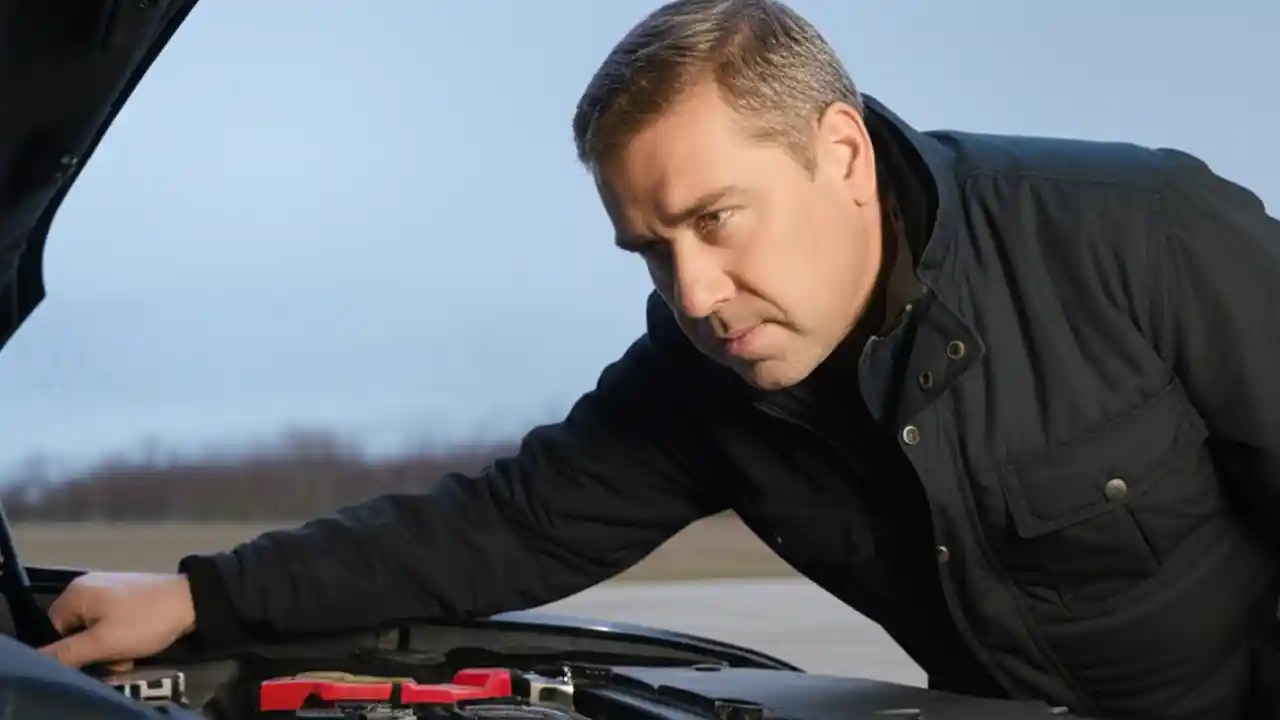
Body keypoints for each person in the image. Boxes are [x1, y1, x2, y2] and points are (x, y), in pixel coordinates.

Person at [38, 0, 1280, 717]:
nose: (692, 295)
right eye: (644, 249)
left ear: (838, 154)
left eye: (713, 220)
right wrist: (201, 596)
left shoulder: (1136, 234)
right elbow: (496, 527)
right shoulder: (701, 381)